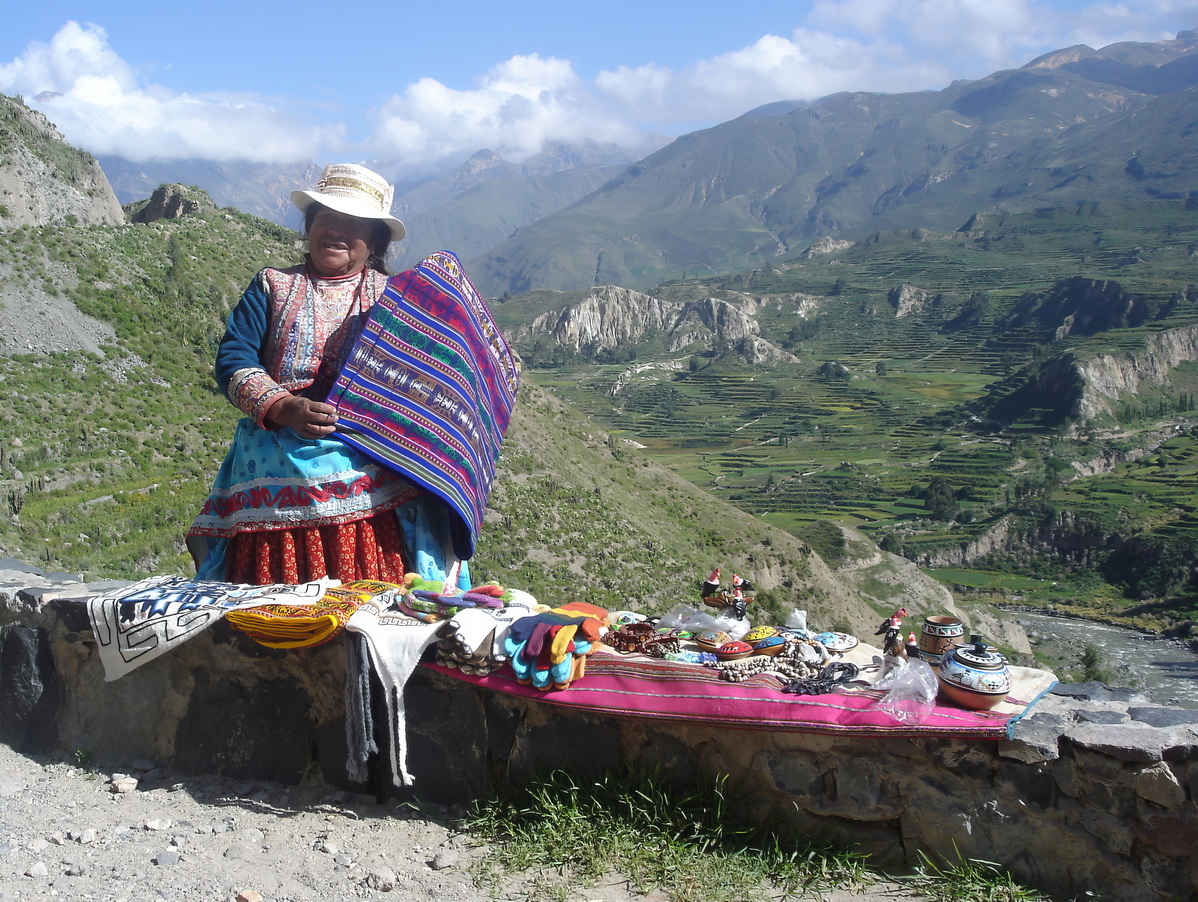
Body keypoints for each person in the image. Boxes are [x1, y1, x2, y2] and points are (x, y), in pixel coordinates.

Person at [187, 163, 468, 587]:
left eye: (353, 224)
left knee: (364, 588)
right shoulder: (271, 285)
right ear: (310, 225)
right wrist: (283, 406)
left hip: (365, 455)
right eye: (326, 218)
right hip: (273, 452)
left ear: (374, 240)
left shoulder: (394, 300)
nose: (335, 231)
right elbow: (234, 357)